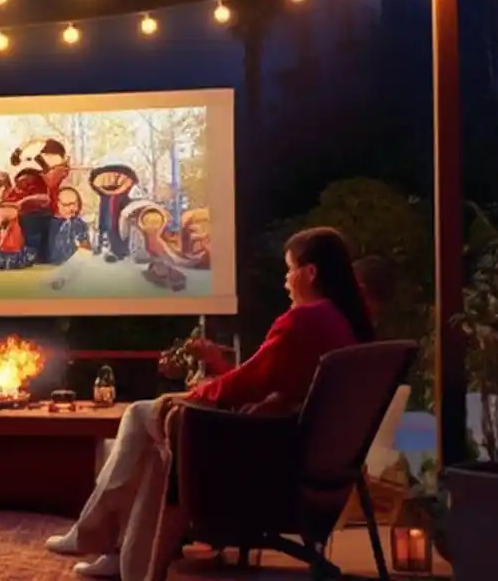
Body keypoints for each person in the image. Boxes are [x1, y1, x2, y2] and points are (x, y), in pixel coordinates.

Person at [45, 227, 375, 580]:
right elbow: (271, 381)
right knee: (159, 451)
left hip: (262, 464)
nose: (285, 281)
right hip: (295, 456)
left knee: (142, 415)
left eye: (289, 269)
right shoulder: (342, 323)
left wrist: (195, 396)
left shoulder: (306, 320)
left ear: (310, 272)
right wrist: (237, 384)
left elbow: (250, 382)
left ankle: (94, 535)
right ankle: (120, 554)